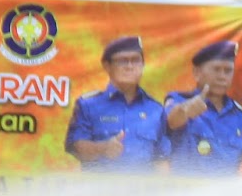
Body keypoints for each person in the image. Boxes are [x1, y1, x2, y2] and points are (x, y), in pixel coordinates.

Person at [65, 36, 170, 171]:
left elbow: (162, 160)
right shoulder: (88, 105)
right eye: (122, 61)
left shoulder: (156, 110)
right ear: (107, 66)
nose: (130, 66)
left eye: (136, 60)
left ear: (143, 65)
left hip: (144, 191)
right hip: (99, 190)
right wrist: (102, 149)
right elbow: (76, 147)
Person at [165, 40, 242, 173]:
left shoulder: (241, 118)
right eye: (216, 70)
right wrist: (186, 110)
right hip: (185, 192)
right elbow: (172, 121)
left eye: (228, 71)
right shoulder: (178, 100)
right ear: (197, 73)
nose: (222, 77)